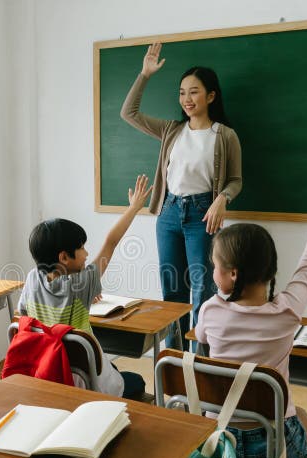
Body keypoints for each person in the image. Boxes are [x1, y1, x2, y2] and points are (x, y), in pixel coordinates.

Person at [196, 146, 307, 458]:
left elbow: (203, 347)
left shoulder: (210, 312)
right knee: (303, 419)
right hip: (269, 448)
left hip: (217, 440)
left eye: (215, 265)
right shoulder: (288, 311)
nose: (213, 272)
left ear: (231, 276)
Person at [121, 42, 242, 351]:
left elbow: (235, 181)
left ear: (211, 96)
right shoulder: (172, 130)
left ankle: (199, 363)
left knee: (202, 292)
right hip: (170, 213)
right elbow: (128, 113)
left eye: (194, 92)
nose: (187, 99)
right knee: (172, 293)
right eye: (182, 92)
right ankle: (175, 363)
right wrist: (145, 74)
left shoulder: (224, 135)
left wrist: (222, 198)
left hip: (203, 215)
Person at [18, 175, 152, 400]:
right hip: (79, 379)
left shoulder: (32, 278)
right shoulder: (81, 283)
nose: (87, 254)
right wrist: (134, 208)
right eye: (81, 248)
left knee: (113, 368)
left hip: (43, 373)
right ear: (64, 257)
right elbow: (111, 242)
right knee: (136, 380)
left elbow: (24, 316)